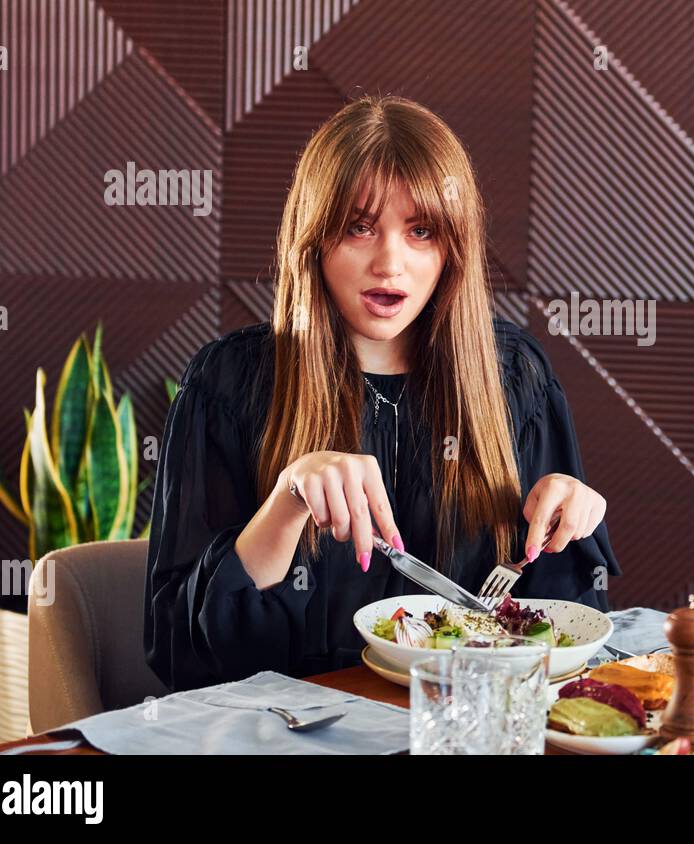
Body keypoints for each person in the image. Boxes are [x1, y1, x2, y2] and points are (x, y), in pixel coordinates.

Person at [143, 94, 622, 692]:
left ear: (454, 249)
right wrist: (287, 503)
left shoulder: (516, 377)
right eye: (359, 228)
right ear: (315, 241)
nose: (390, 263)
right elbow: (175, 651)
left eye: (421, 231)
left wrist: (570, 516)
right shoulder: (227, 383)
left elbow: (555, 638)